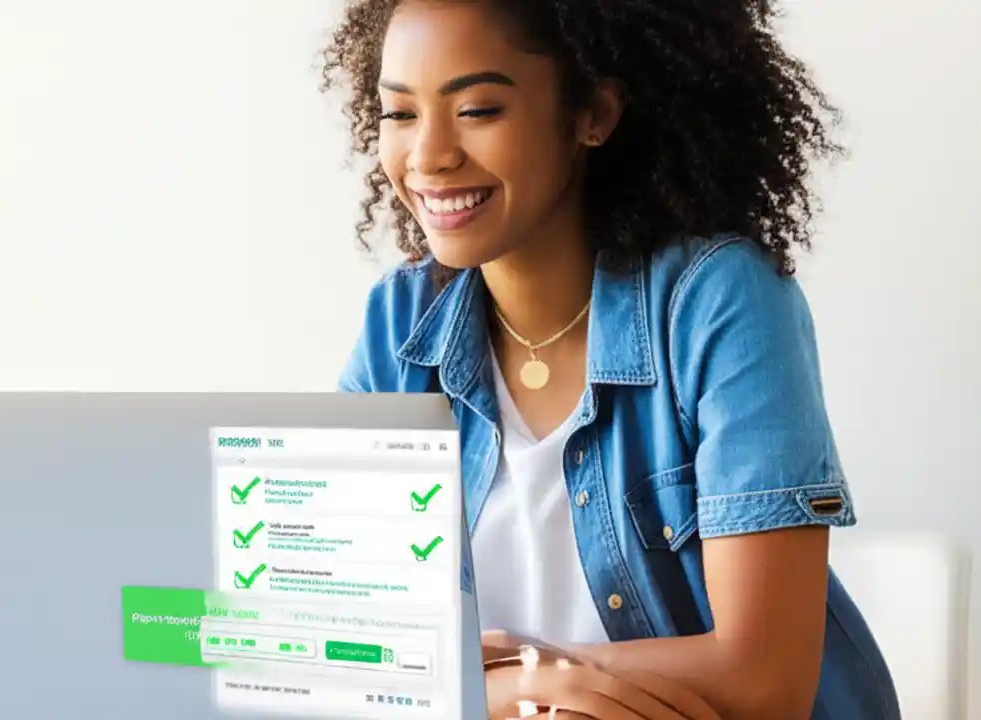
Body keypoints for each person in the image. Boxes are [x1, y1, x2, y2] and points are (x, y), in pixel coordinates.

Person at [325, 1, 900, 718]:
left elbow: (763, 678)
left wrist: (513, 682)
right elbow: (342, 648)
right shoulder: (399, 325)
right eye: (400, 114)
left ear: (593, 113)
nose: (429, 156)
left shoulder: (718, 302)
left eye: (477, 110)